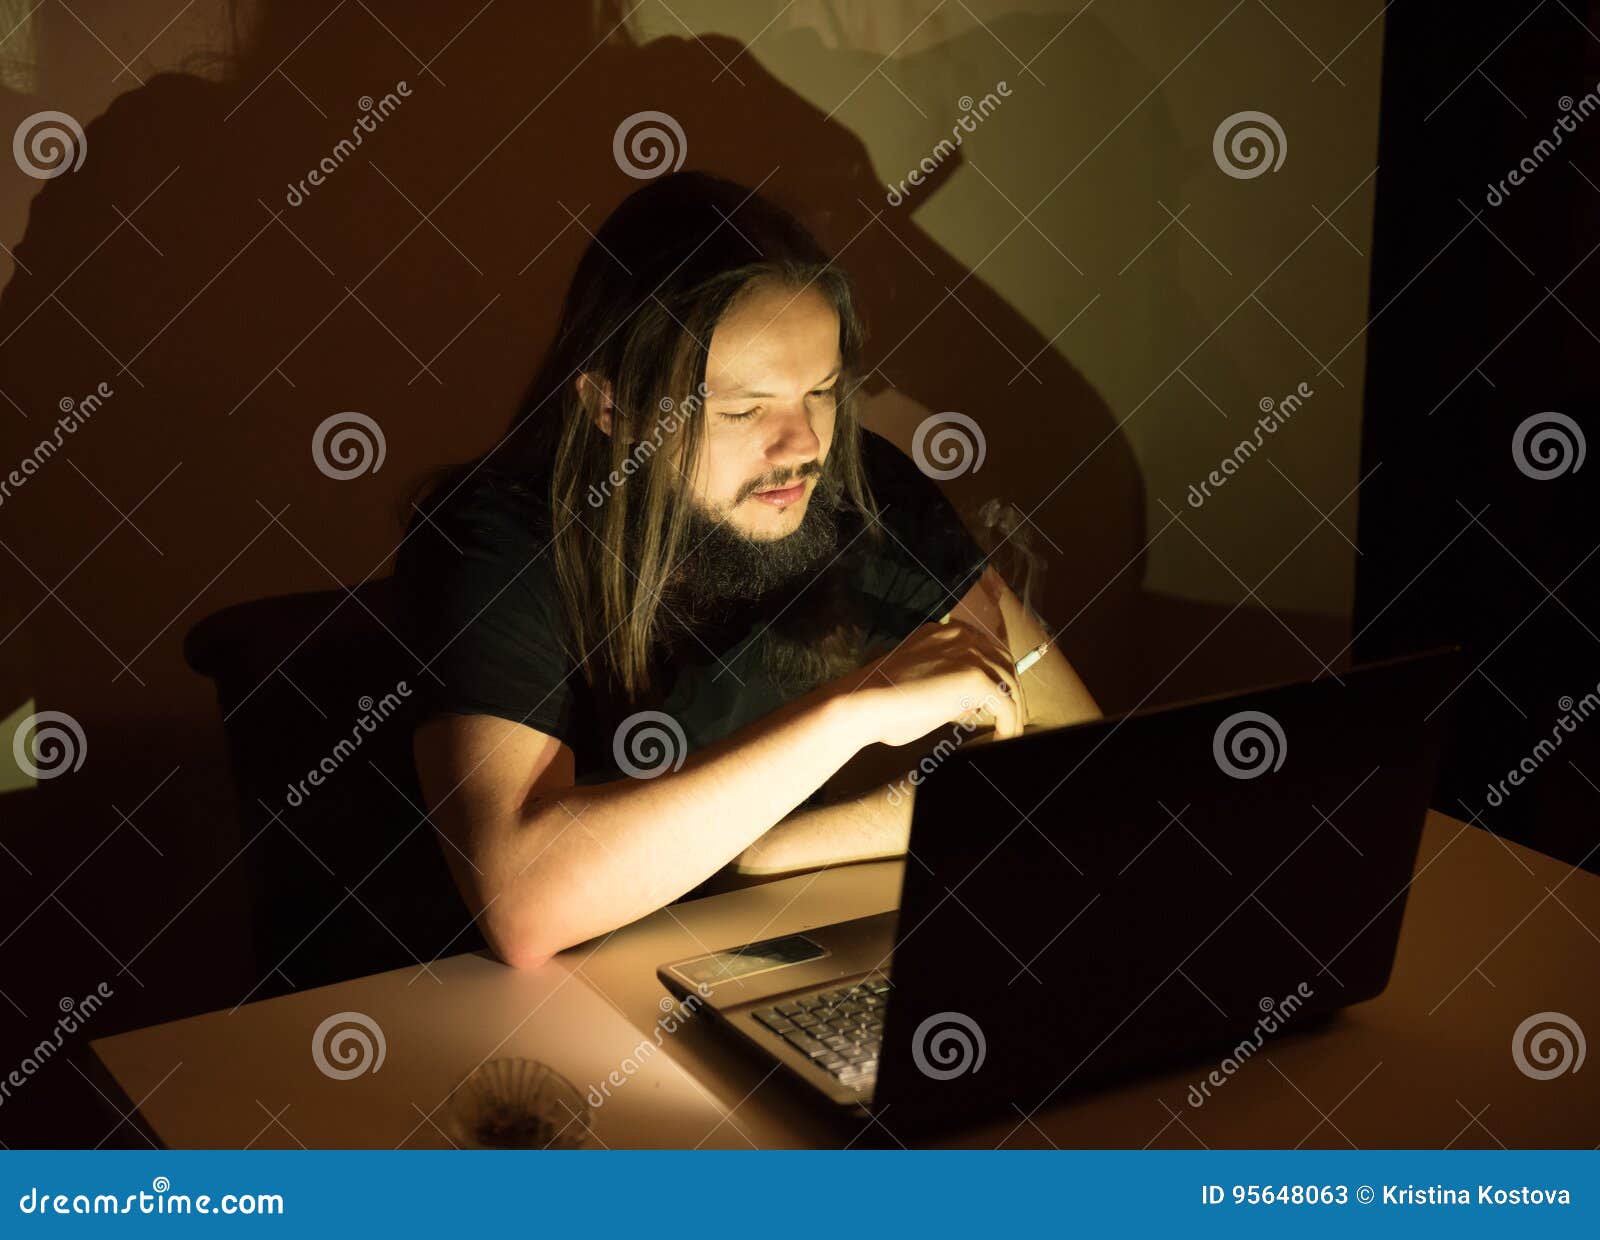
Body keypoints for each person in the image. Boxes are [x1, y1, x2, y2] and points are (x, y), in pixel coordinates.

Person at [397, 172, 1100, 970]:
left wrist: (774, 849)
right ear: (613, 407)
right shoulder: (496, 538)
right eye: (743, 410)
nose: (802, 444)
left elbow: (1077, 761)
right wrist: (855, 711)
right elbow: (524, 908)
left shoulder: (862, 488)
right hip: (488, 1030)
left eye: (824, 392)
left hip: (733, 960)